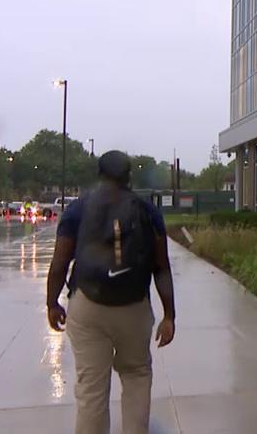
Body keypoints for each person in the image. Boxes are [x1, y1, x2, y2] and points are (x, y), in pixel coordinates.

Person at [46, 150, 176, 434]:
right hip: (134, 307)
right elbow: (161, 267)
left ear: (99, 174)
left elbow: (60, 263)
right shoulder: (147, 210)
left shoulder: (78, 209)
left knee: (92, 388)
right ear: (129, 175)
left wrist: (52, 302)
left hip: (88, 306)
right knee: (137, 374)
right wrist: (169, 315)